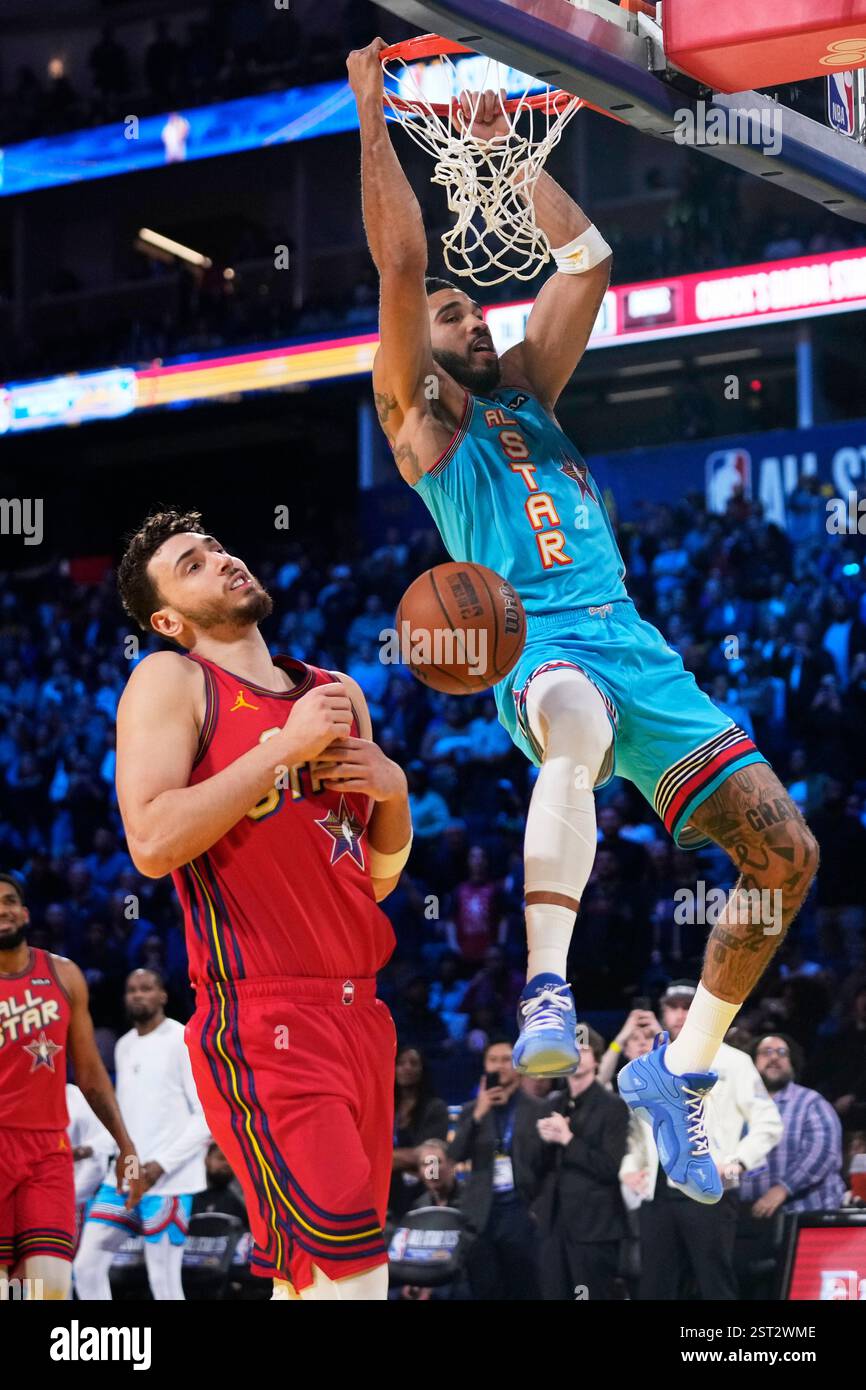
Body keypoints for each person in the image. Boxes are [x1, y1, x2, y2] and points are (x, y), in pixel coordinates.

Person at [347, 40, 819, 1204]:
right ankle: (546, 987)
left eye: (472, 311)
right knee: (569, 732)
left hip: (634, 642)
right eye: (455, 314)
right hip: (535, 640)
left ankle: (683, 1070)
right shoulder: (427, 425)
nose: (468, 320)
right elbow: (403, 266)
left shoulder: (528, 396)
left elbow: (586, 257)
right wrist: (373, 114)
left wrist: (508, 167)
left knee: (784, 854)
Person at [115, 509, 412, 1301]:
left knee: (310, 1279)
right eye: (190, 563)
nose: (220, 559)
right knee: (357, 1276)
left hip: (362, 1015)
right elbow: (150, 841)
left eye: (216, 547)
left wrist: (396, 791)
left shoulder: (335, 691)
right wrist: (281, 750)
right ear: (168, 619)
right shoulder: (172, 679)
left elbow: (373, 883)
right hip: (263, 1020)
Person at [0, 873, 142, 1301]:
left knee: (50, 1290)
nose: (2, 910)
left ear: (25, 913)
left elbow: (91, 1072)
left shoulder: (63, 975)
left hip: (47, 1152)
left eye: (9, 901)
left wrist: (125, 1144)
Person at [621, 981, 783, 1300]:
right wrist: (630, 1167)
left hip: (710, 1188)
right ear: (663, 1012)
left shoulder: (734, 1061)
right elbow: (638, 1130)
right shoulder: (650, 1064)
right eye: (673, 1007)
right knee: (654, 1286)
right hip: (657, 1192)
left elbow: (768, 1121)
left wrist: (737, 1163)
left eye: (687, 1006)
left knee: (714, 1283)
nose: (681, 1014)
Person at [73, 968, 210, 1301]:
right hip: (125, 1177)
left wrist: (160, 1165)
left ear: (162, 995)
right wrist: (92, 1148)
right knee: (87, 1266)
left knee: (163, 1282)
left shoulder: (181, 1039)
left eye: (146, 988)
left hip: (169, 1181)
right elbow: (127, 1115)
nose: (138, 995)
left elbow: (206, 1117)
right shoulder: (123, 1046)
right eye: (132, 989)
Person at [533, 1027, 629, 1300]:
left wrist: (568, 1139)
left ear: (597, 1060)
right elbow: (536, 1169)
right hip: (553, 1225)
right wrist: (541, 1141)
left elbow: (610, 1167)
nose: (576, 1054)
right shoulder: (551, 1104)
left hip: (594, 1229)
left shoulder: (613, 1107)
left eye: (584, 1049)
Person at [447, 1039, 544, 1299]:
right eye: (493, 1060)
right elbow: (453, 1156)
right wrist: (479, 1113)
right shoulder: (472, 1111)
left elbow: (546, 1163)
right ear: (484, 1065)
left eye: (505, 1059)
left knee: (524, 1289)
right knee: (486, 1289)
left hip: (521, 1212)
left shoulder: (537, 1109)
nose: (499, 1065)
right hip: (482, 1216)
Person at [740, 1034, 845, 1215]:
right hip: (747, 1219)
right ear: (752, 1062)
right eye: (766, 1052)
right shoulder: (738, 1105)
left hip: (806, 1214)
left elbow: (823, 1153)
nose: (774, 1057)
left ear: (792, 1063)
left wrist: (783, 1188)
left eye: (782, 1053)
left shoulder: (810, 1102)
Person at [390, 1046, 449, 1219]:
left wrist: (385, 1158)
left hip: (424, 1194)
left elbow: (429, 1158)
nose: (407, 1068)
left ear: (422, 1069)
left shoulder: (436, 1108)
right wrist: (411, 1157)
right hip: (387, 1196)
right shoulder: (383, 1107)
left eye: (413, 1063)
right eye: (400, 1063)